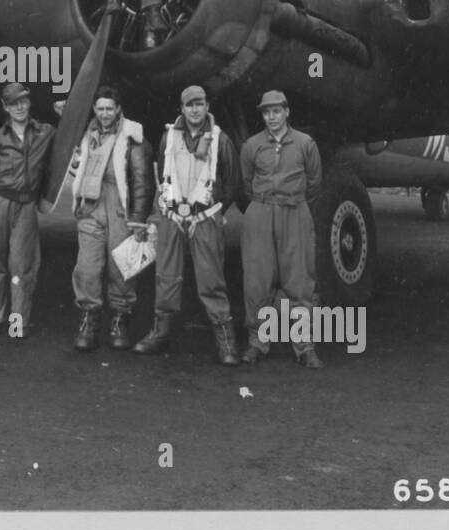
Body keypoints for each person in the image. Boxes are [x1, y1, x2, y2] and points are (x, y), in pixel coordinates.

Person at [135, 85, 240, 365]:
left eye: (200, 104)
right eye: (189, 105)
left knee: (211, 277)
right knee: (166, 274)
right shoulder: (169, 137)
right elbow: (161, 172)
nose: (195, 109)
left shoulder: (222, 140)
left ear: (207, 106)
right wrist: (171, 209)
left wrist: (212, 212)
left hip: (205, 216)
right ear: (181, 108)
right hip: (171, 216)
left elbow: (231, 183)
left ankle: (225, 339)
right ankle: (160, 332)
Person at [239, 90, 325, 370]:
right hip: (261, 211)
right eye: (266, 112)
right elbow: (247, 181)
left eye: (276, 111)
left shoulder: (305, 143)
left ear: (287, 112)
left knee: (300, 280)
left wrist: (292, 202)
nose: (271, 117)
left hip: (295, 211)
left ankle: (305, 347)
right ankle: (257, 342)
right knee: (257, 280)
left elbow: (314, 182)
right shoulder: (252, 145)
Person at [69, 85, 154, 351]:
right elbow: (79, 169)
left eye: (109, 108)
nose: (105, 113)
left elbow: (142, 181)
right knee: (87, 268)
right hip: (91, 207)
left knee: (122, 270)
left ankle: (119, 322)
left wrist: (139, 219)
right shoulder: (87, 135)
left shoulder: (132, 137)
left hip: (120, 208)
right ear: (94, 109)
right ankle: (88, 322)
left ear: (118, 109)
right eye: (100, 108)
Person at [0, 82, 54, 339]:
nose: (19, 107)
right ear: (5, 107)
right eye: (13, 103)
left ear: (29, 103)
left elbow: (70, 139)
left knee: (22, 266)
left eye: (23, 101)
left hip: (26, 205)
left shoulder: (46, 132)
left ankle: (17, 322)